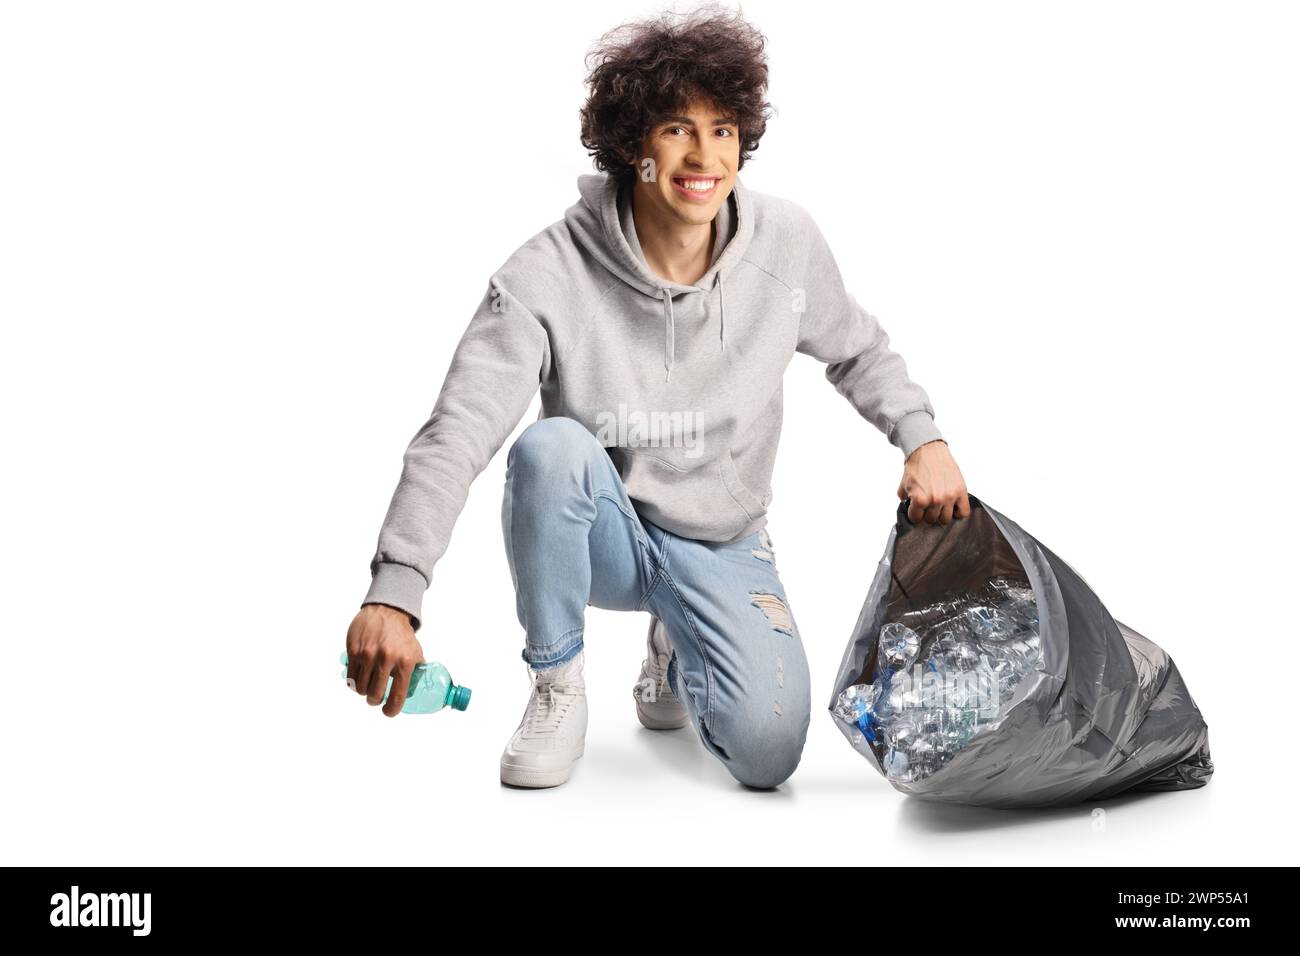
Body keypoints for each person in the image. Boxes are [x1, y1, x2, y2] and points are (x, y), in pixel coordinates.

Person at [343, 3, 970, 790]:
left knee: (767, 753)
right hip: (603, 531)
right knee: (550, 449)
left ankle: (675, 646)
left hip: (724, 540)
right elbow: (457, 431)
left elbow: (859, 349)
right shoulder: (546, 275)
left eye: (722, 129)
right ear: (631, 146)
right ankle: (558, 684)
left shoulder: (786, 247)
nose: (702, 153)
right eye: (675, 128)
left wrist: (923, 437)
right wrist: (395, 593)